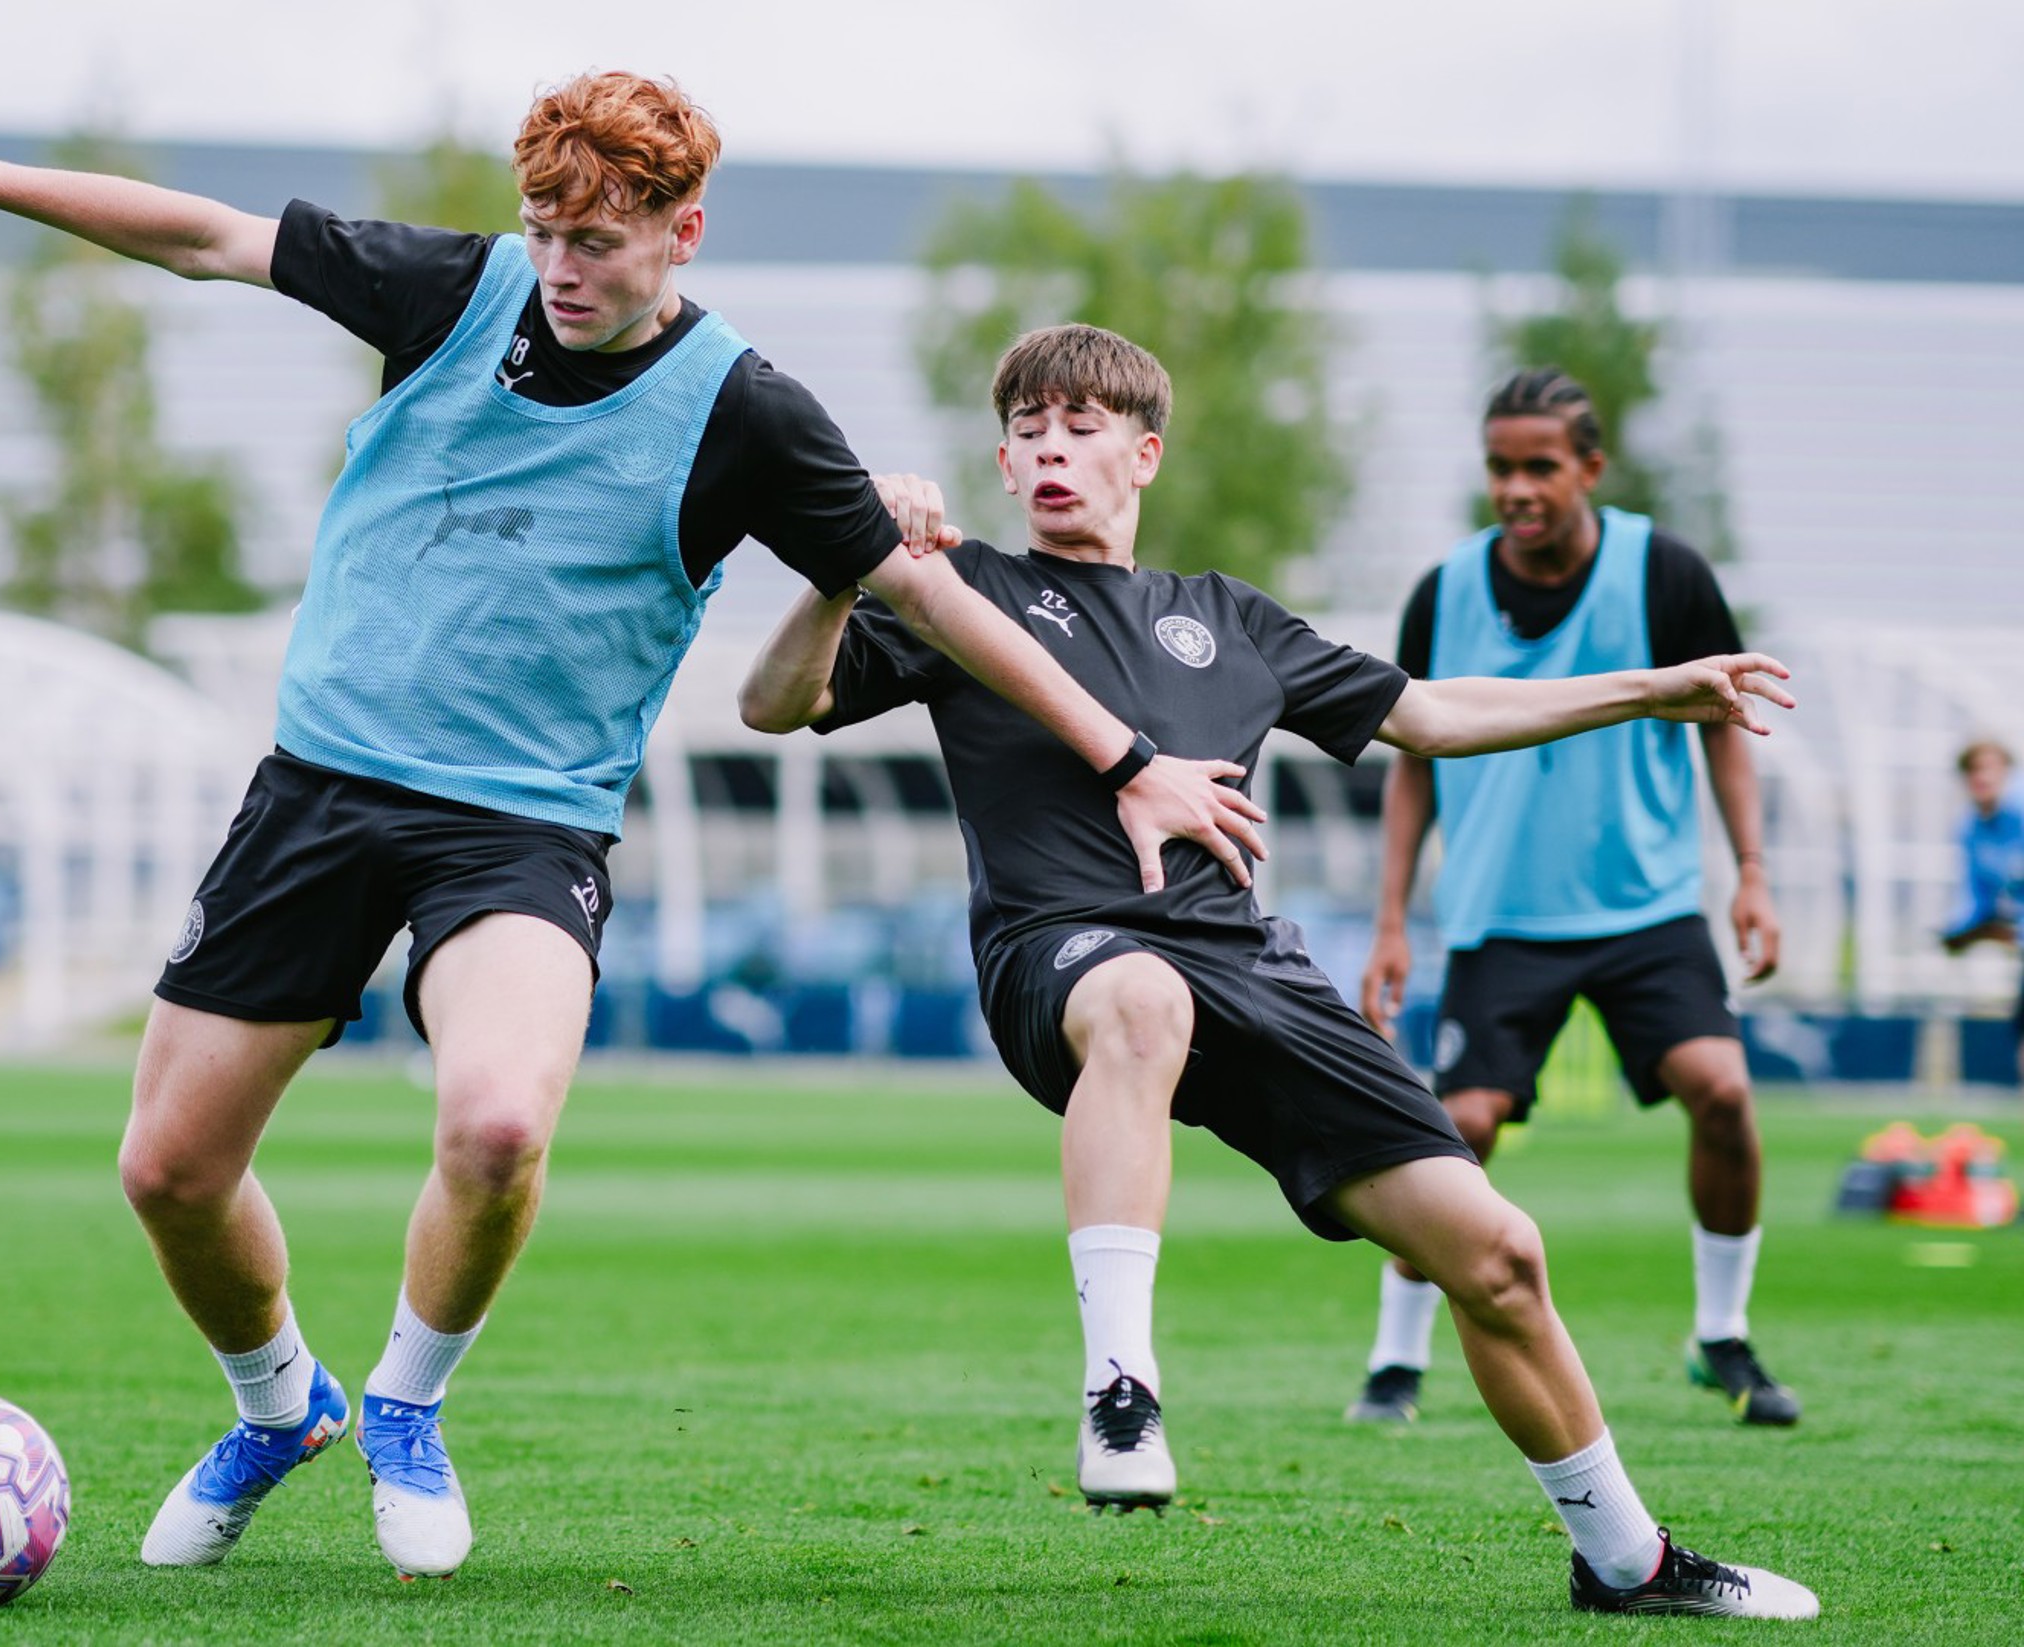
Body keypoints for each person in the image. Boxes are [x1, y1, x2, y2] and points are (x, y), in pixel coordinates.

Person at [0, 76, 1264, 1581]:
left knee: (503, 1121)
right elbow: (206, 238)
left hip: (521, 830)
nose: (563, 268)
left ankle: (404, 1405)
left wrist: (1130, 758)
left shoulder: (749, 411)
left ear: (681, 233)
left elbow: (937, 600)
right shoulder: (454, 289)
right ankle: (279, 1403)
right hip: (319, 788)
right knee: (169, 1170)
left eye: (599, 239)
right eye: (545, 233)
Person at [737, 325, 1816, 1618]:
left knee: (1498, 1252)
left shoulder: (1228, 619)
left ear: (1143, 453)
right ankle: (1120, 1388)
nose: (1047, 448)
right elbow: (773, 702)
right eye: (1026, 428)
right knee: (1144, 997)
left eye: (1079, 426)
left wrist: (1658, 687)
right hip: (1062, 952)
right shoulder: (959, 589)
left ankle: (1626, 1557)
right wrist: (852, 568)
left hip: (1256, 969)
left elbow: (1438, 713)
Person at [1349, 369, 1797, 1428]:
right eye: (1500, 466)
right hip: (1503, 917)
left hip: (1648, 910)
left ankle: (1722, 1337)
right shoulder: (1445, 591)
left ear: (1589, 468)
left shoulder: (1663, 573)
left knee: (1724, 1094)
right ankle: (1394, 1361)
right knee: (1459, 1128)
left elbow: (1726, 724)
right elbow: (1410, 756)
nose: (1517, 486)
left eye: (1539, 466)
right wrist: (1392, 920)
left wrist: (1754, 877)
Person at [1942, 738, 2024, 1084]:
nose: (1983, 776)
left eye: (1991, 767)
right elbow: (1977, 897)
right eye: (1974, 769)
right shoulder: (1970, 829)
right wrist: (1957, 931)